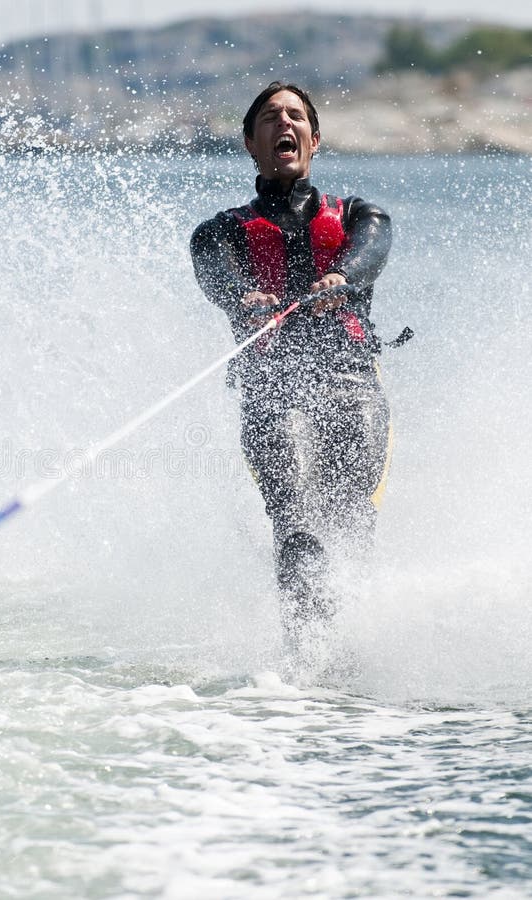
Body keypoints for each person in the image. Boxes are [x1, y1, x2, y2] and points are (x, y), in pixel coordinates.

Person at [190, 81, 392, 639]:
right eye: (271, 117)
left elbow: (372, 249)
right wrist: (242, 296)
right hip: (271, 389)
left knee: (351, 519)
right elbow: (214, 271)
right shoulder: (220, 233)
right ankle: (303, 654)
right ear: (250, 144)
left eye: (296, 116)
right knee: (297, 523)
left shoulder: (360, 217)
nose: (285, 123)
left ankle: (352, 645)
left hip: (354, 383)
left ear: (314, 139)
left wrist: (343, 276)